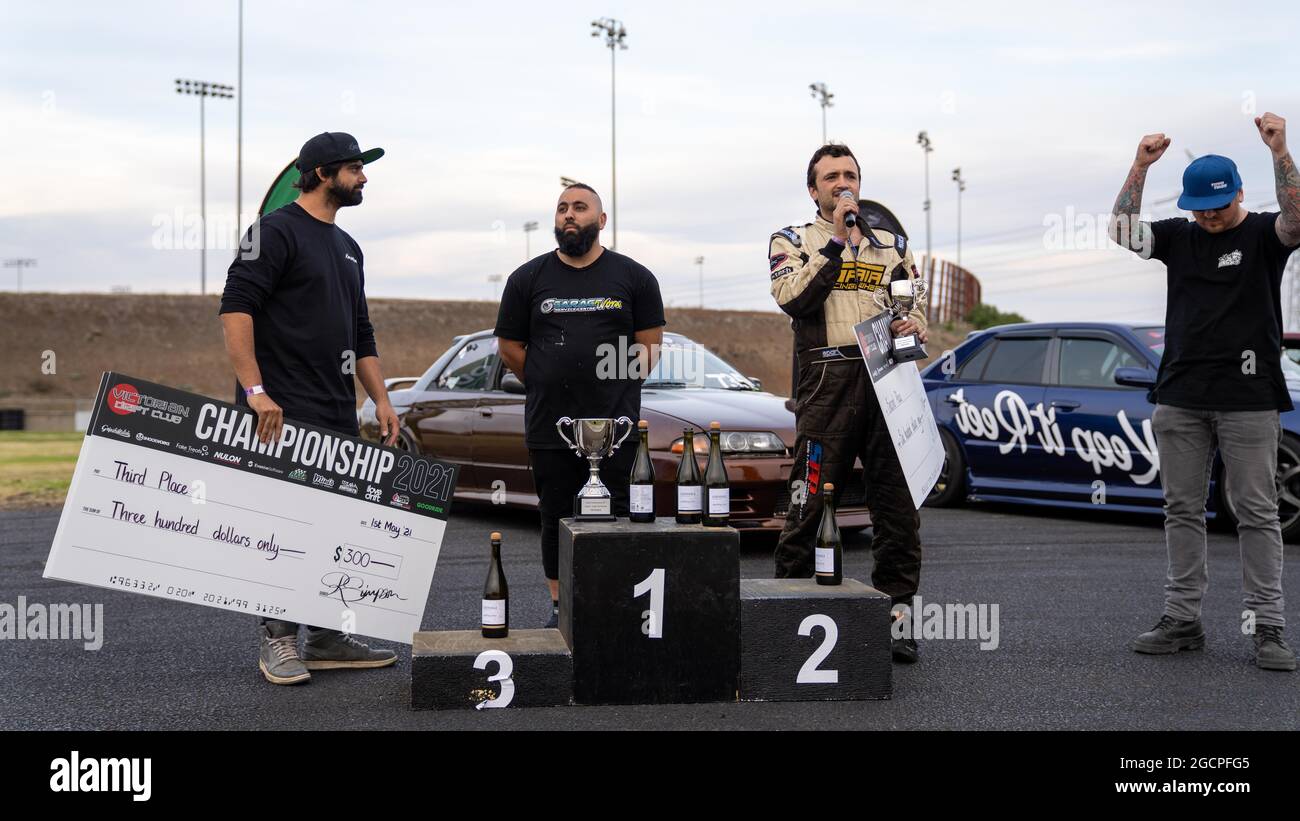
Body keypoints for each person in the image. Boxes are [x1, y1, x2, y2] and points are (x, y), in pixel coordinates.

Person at [1110, 114, 1300, 672]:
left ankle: (1268, 627)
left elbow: (1298, 218)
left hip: (1249, 396)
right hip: (1182, 393)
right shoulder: (1178, 236)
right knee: (1181, 508)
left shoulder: (1265, 234)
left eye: (1218, 206)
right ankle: (1183, 619)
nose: (1210, 217)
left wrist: (1280, 150)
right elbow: (1123, 231)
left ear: (1240, 193)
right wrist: (1141, 165)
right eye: (1200, 208)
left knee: (1257, 511)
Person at [220, 131, 402, 685]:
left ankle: (325, 636)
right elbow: (236, 310)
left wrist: (382, 398)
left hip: (334, 411)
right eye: (354, 168)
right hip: (278, 412)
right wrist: (256, 392)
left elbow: (361, 332)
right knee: (284, 528)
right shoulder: (272, 233)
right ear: (322, 173)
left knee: (334, 525)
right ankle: (278, 640)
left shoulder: (349, 247)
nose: (364, 177)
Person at [769, 143, 929, 663]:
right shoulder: (791, 240)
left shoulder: (891, 243)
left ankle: (897, 622)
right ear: (814, 189)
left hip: (888, 379)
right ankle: (788, 612)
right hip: (826, 381)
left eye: (851, 175)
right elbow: (794, 299)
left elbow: (914, 307)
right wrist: (837, 239)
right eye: (832, 176)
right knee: (809, 496)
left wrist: (912, 325)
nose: (844, 183)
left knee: (897, 508)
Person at [495, 183, 665, 628]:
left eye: (580, 207)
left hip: (617, 427)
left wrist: (612, 387)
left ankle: (617, 606)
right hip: (551, 425)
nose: (569, 215)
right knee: (555, 516)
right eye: (563, 208)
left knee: (620, 514)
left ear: (601, 220)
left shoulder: (635, 277)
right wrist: (546, 377)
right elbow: (509, 346)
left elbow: (649, 347)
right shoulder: (527, 279)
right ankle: (560, 608)